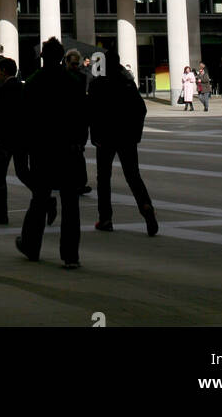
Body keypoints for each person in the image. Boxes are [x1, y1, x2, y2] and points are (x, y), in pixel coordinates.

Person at [16, 37, 88, 269]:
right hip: (68, 150)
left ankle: (31, 245)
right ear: (62, 57)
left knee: (39, 198)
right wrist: (79, 142)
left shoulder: (34, 82)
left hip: (42, 149)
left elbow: (25, 119)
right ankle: (70, 255)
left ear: (42, 57)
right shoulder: (74, 81)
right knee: (70, 203)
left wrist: (24, 150)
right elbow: (82, 116)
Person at [88, 48, 158, 236]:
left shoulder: (97, 84)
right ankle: (145, 206)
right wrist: (135, 134)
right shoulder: (127, 83)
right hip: (127, 137)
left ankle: (106, 218)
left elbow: (91, 112)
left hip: (105, 138)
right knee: (133, 175)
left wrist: (94, 135)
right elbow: (140, 109)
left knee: (103, 178)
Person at [0, 56, 27, 226]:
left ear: (3, 71)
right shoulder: (21, 87)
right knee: (22, 172)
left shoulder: (4, 89)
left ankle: (1, 214)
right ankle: (45, 198)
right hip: (20, 137)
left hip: (5, 139)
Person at [65, 50, 92, 193]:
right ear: (67, 62)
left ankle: (80, 183)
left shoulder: (82, 77)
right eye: (73, 63)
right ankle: (72, 182)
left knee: (78, 153)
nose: (75, 66)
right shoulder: (62, 78)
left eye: (77, 63)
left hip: (79, 121)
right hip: (68, 121)